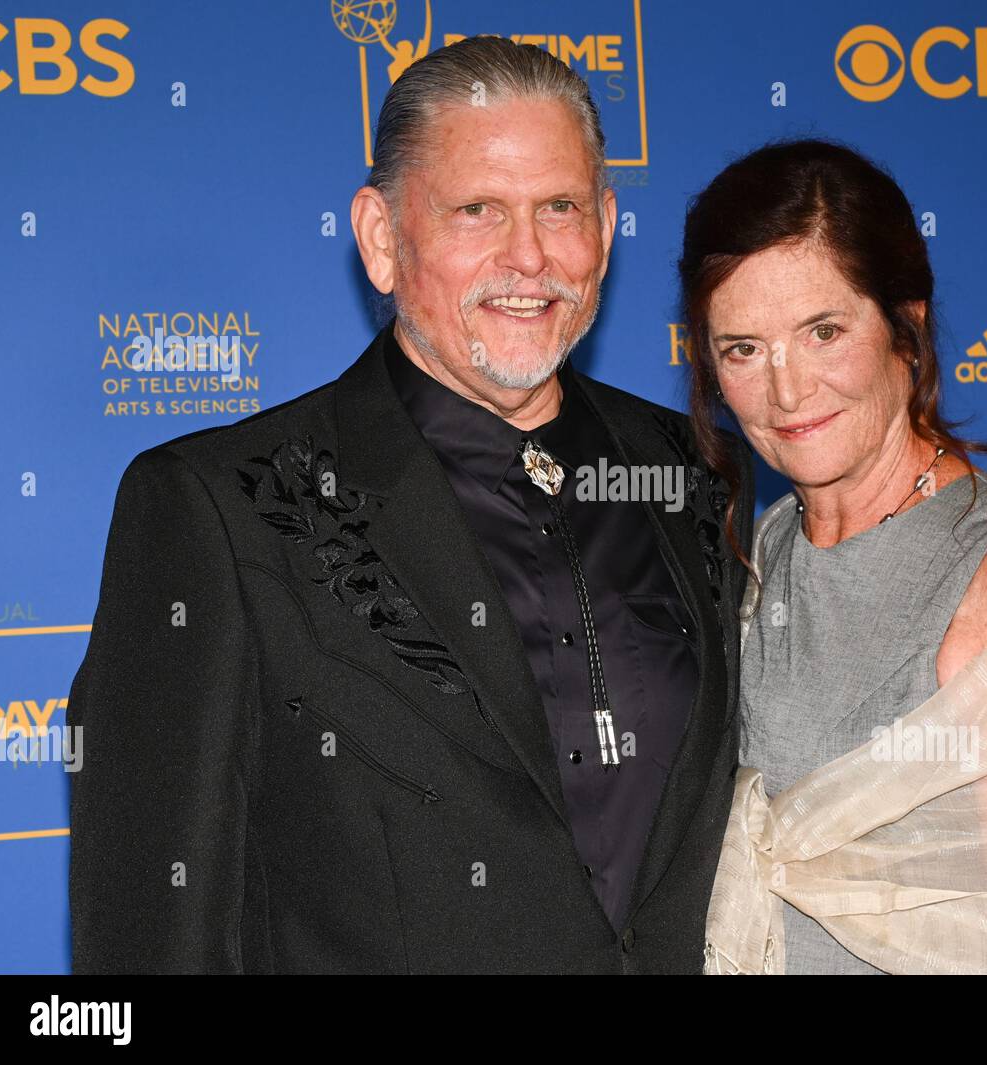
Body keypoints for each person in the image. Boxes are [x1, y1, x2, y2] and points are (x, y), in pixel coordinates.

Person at [66, 36, 754, 974]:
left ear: (605, 223)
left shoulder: (693, 468)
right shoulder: (218, 508)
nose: (529, 257)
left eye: (559, 208)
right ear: (383, 238)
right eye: (478, 210)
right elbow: (150, 936)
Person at [682, 139, 987, 974]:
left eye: (824, 331)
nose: (787, 391)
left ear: (908, 324)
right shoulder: (756, 552)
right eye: (743, 349)